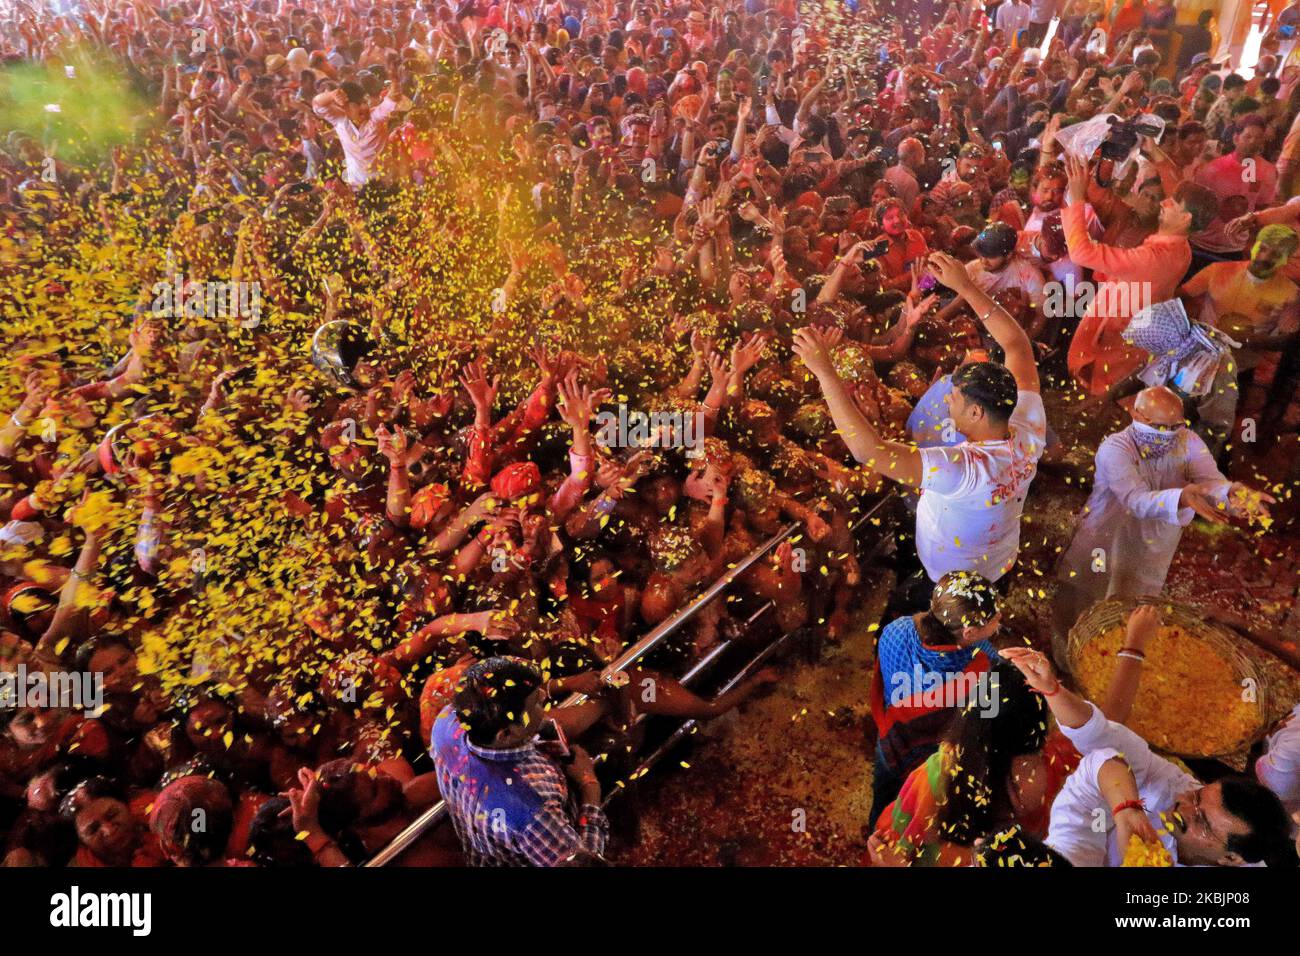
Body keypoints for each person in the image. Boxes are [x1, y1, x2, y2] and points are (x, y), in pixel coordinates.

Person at [794, 250, 1045, 587]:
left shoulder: (962, 468)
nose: (946, 401)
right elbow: (1017, 345)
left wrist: (825, 372)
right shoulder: (1030, 427)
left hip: (950, 583)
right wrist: (967, 288)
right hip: (999, 563)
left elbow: (869, 452)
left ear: (976, 412)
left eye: (953, 398)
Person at [1004, 646, 1298, 867]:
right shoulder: (1169, 786)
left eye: (1203, 823)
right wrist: (1053, 690)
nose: (1183, 808)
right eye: (1197, 797)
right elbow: (1102, 743)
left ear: (1231, 858)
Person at [1051, 386, 1274, 663]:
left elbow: (1210, 479)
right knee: (1083, 597)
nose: (1167, 434)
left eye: (1175, 425)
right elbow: (1134, 500)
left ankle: (1109, 658)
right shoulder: (1116, 448)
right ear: (1136, 414)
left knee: (1132, 603)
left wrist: (1229, 492)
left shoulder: (1187, 440)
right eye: (1158, 426)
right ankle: (1065, 660)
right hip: (1107, 536)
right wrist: (1181, 496)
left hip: (1155, 542)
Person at [1062, 152, 1220, 396]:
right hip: (1130, 336)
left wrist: (1075, 202)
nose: (1163, 204)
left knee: (1103, 397)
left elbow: (1080, 253)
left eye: (1171, 204)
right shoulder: (1181, 247)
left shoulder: (1156, 257)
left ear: (1186, 217)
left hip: (1117, 341)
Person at [431, 657, 607, 867]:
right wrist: (589, 786)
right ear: (505, 734)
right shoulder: (533, 812)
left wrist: (565, 684)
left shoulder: (447, 721)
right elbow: (585, 860)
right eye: (535, 703)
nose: (543, 695)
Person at [869, 570, 1003, 824]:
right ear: (969, 634)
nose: (999, 619)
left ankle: (877, 833)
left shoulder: (895, 631)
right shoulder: (984, 663)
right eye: (993, 618)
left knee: (884, 797)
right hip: (934, 759)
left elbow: (885, 683)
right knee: (922, 808)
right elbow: (987, 720)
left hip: (892, 741)